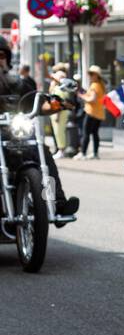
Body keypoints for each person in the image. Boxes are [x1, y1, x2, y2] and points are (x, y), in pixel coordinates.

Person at [0, 37, 80, 220]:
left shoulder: (20, 84)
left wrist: (56, 106)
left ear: (8, 59)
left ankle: (57, 202)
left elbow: (34, 105)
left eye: (1, 55)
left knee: (42, 154)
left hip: (14, 136)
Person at [76, 65, 107, 160]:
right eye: (90, 74)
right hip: (99, 113)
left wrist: (82, 96)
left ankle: (83, 152)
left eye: (92, 74)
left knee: (86, 133)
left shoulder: (94, 85)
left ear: (97, 75)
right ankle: (95, 153)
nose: (90, 76)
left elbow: (92, 99)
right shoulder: (100, 85)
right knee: (94, 133)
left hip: (91, 113)